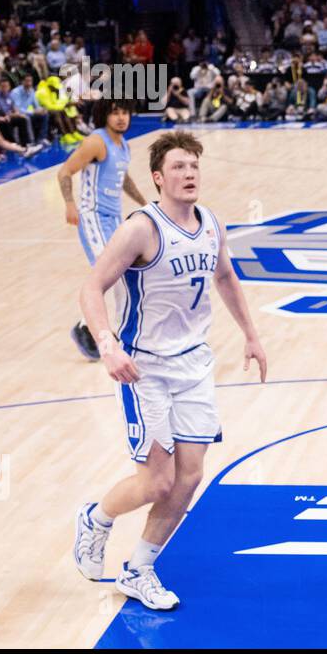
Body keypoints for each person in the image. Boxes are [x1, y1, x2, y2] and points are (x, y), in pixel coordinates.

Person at [72, 130, 268, 610]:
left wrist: (251, 334)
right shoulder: (142, 228)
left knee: (190, 477)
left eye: (194, 166)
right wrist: (107, 345)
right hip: (145, 369)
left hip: (194, 364)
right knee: (157, 482)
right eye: (179, 167)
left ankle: (139, 569)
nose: (189, 174)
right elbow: (92, 287)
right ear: (158, 178)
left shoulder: (211, 224)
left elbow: (225, 276)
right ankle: (95, 518)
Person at [58, 98, 147, 359]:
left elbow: (123, 177)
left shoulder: (124, 146)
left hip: (114, 219)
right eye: (115, 113)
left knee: (125, 273)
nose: (121, 118)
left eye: (125, 112)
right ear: (103, 116)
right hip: (92, 217)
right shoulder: (96, 142)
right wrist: (69, 204)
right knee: (113, 274)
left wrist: (144, 204)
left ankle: (89, 327)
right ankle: (111, 333)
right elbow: (64, 172)